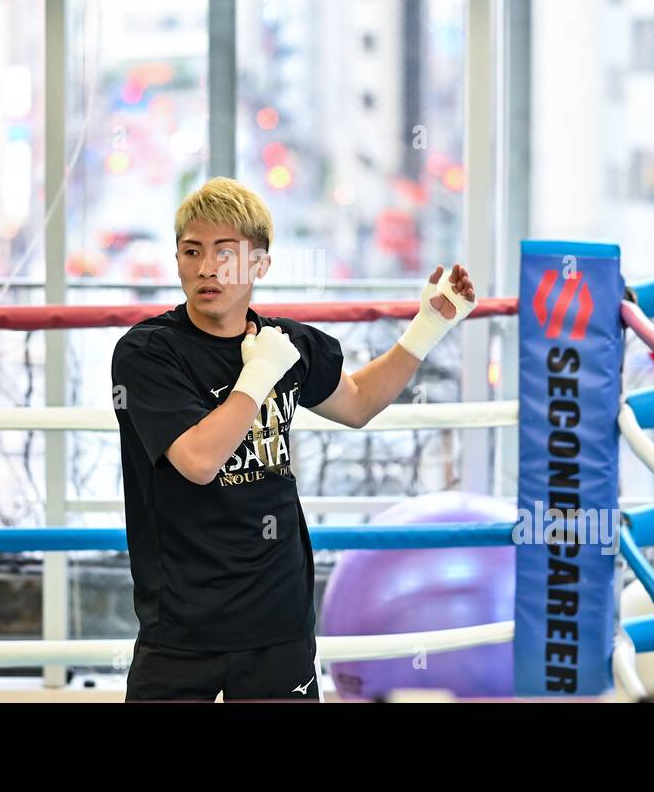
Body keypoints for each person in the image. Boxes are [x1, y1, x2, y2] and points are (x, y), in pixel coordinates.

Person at [111, 177, 476, 701]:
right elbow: (197, 459)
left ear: (261, 265)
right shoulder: (148, 353)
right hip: (182, 624)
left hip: (278, 616)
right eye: (192, 251)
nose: (207, 267)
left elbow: (357, 403)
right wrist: (256, 379)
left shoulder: (286, 345)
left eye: (226, 253)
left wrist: (428, 326)